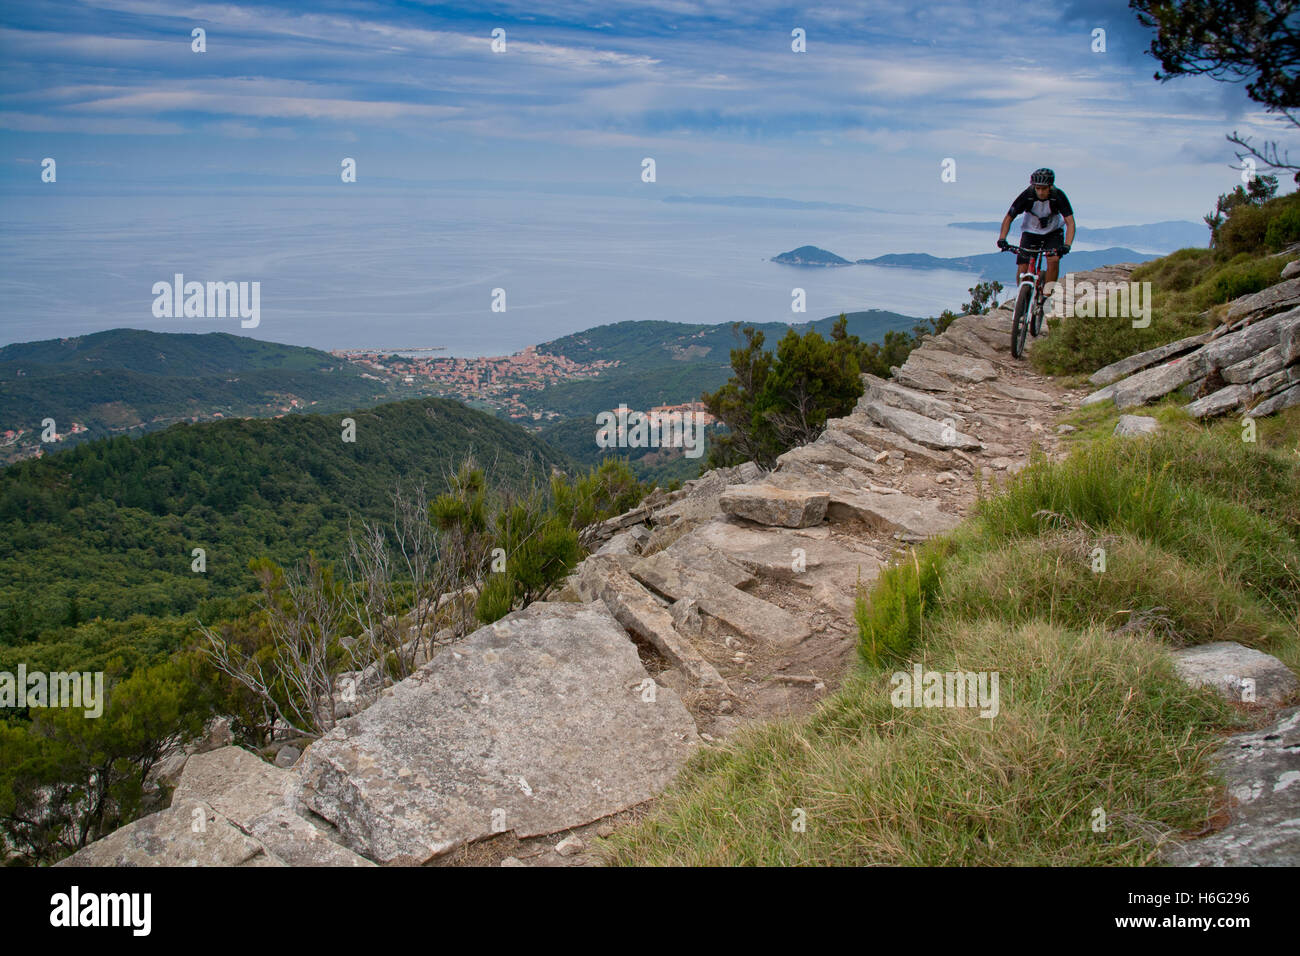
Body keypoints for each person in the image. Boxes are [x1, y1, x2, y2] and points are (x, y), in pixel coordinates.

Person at [996, 168, 1075, 297]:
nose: (1040, 192)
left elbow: (1070, 222)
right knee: (1023, 266)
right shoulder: (1027, 195)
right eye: (1038, 188)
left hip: (1053, 232)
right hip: (1030, 232)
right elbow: (1009, 217)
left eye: (1044, 188)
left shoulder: (1058, 196)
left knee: (1053, 259)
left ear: (1050, 187)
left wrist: (1067, 245)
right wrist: (1002, 238)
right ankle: (1021, 296)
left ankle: (1047, 296)